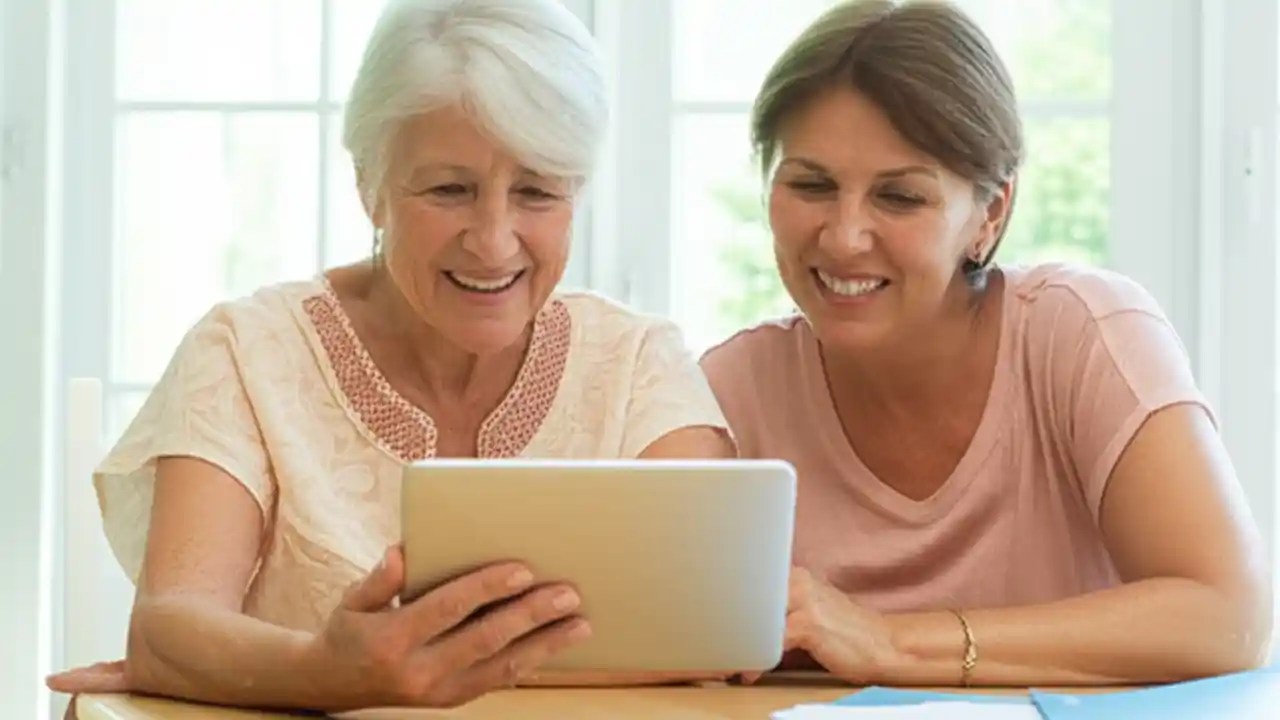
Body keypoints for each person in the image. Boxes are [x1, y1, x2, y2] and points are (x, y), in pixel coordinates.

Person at [47, 0, 733, 712]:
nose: (495, 242)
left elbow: (707, 631)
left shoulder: (637, 363)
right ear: (370, 185)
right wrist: (322, 668)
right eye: (448, 190)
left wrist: (294, 665)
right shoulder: (246, 351)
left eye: (536, 192)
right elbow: (168, 632)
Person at [703, 0, 1272, 688]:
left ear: (989, 213)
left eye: (901, 197)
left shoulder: (1082, 335)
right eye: (812, 185)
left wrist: (892, 644)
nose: (845, 236)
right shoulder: (731, 388)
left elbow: (1232, 616)